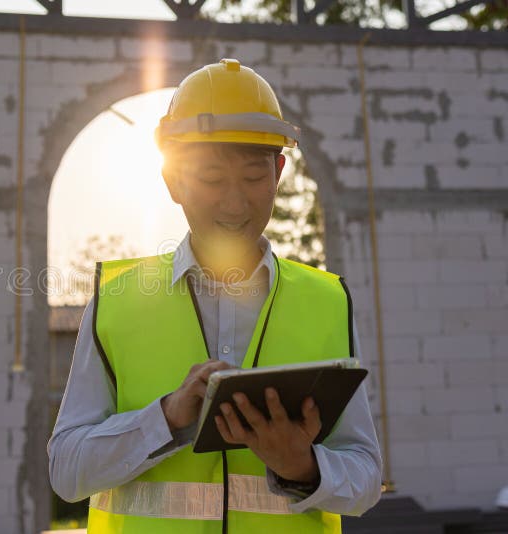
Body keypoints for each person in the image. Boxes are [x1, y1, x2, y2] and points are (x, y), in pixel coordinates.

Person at [48, 58, 382, 533]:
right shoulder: (118, 302)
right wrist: (164, 418)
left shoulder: (326, 302)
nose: (234, 202)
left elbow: (366, 478)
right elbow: (66, 470)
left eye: (253, 177)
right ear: (173, 180)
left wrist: (304, 467)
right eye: (211, 179)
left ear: (279, 172)